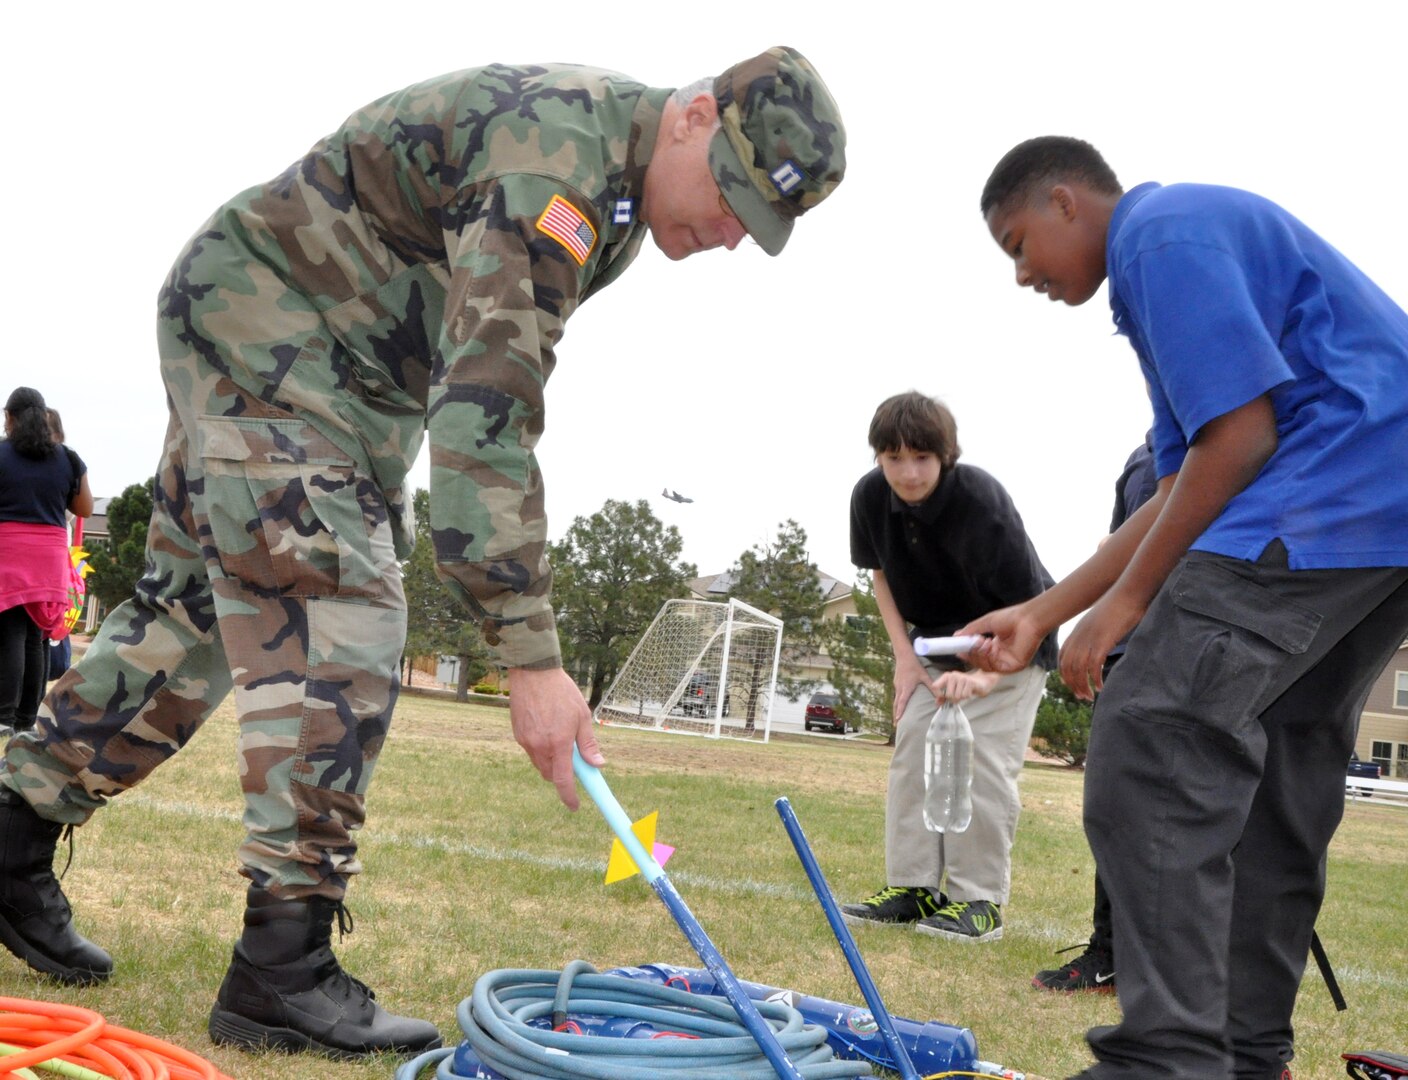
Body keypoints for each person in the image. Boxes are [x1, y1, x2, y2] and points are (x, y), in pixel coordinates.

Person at [0, 50, 846, 1059]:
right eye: (729, 194)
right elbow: (485, 414)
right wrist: (530, 657)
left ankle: (8, 838)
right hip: (271, 329)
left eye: (756, 223)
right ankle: (281, 962)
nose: (729, 233)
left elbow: (455, 352)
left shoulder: (609, 190)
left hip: (306, 356)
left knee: (190, 622)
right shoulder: (558, 169)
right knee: (342, 616)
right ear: (693, 115)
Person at [971, 136, 1408, 1080]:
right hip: (1384, 512)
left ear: (1065, 201)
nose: (1020, 274)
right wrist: (1047, 613)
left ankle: (1166, 1062)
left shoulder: (1161, 236)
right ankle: (1247, 1057)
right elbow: (1181, 483)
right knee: (1280, 770)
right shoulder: (1158, 272)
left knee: (1159, 732)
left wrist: (1124, 610)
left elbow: (1241, 441)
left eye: (1017, 243)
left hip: (1336, 487)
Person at [839, 391, 1055, 943]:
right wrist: (904, 660)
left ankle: (977, 901)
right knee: (913, 751)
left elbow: (1031, 612)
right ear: (878, 458)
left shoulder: (981, 498)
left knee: (979, 761)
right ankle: (912, 889)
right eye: (893, 459)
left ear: (946, 456)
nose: (907, 473)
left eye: (921, 458)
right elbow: (880, 574)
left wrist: (984, 677)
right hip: (932, 646)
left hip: (1012, 642)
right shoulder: (868, 497)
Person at [1031, 431, 1153, 993]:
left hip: (1196, 651)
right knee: (1114, 812)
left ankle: (1167, 967)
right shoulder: (1141, 457)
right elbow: (1118, 551)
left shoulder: (1231, 434)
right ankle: (1108, 954)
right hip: (1127, 656)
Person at [0, 389, 92, 740]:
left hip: (8, 550)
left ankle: (4, 716)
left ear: (11, 417)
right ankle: (27, 718)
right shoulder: (67, 458)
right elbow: (83, 508)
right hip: (49, 554)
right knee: (37, 636)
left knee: (10, 632)